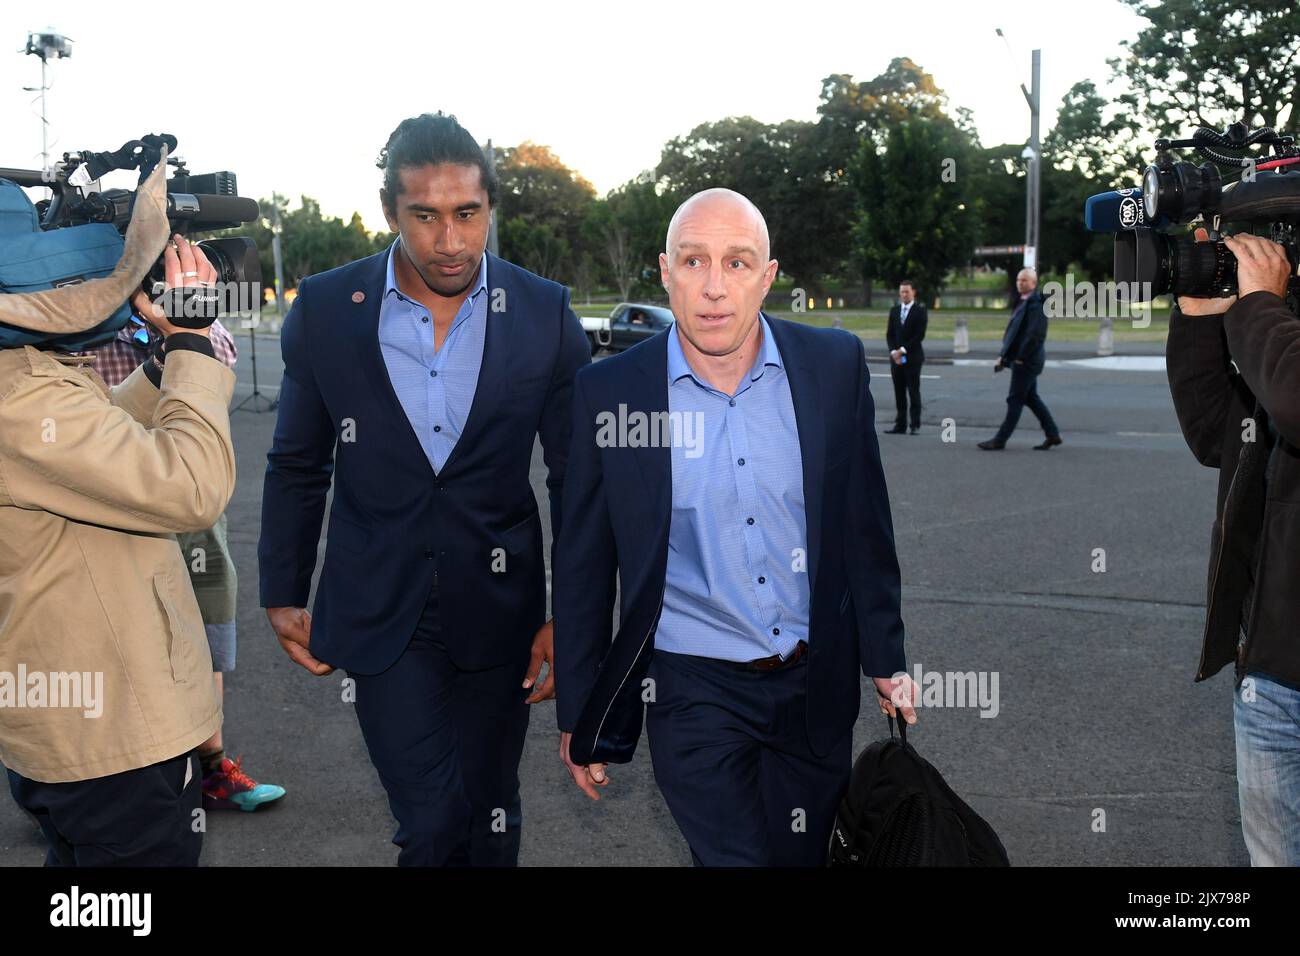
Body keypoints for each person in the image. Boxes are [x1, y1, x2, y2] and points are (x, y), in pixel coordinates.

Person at [259, 112, 589, 866]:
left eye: (468, 215)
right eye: (426, 217)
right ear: (389, 212)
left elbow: (577, 481)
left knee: (491, 810)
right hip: (382, 608)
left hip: (499, 610)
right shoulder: (326, 311)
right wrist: (282, 589)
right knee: (433, 820)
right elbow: (298, 462)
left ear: (489, 208)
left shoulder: (544, 315)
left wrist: (571, 617)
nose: (450, 241)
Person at [553, 188, 917, 866]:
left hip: (814, 684)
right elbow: (582, 564)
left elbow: (863, 523)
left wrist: (886, 658)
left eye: (738, 263)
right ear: (665, 272)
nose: (714, 288)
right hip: (694, 690)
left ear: (768, 276)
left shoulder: (832, 369)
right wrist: (580, 713)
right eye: (694, 262)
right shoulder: (613, 394)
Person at [0, 152, 236, 864]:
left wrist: (165, 366)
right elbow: (190, 486)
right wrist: (194, 340)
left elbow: (102, 438)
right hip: (112, 740)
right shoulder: (22, 399)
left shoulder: (28, 380)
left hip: (88, 730)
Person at [90, 317, 285, 812]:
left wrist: (172, 323)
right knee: (113, 637)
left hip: (191, 491)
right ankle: (84, 785)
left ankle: (213, 770)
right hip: (110, 498)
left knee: (207, 621)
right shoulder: (79, 317)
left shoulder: (171, 310)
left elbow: (220, 356)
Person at [1167, 228, 1300, 866]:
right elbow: (1215, 435)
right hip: (1271, 677)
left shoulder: (1278, 334)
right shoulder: (1281, 340)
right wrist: (1199, 313)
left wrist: (1259, 305)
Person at [978, 268, 1063, 450]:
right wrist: (1004, 356)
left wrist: (1020, 358)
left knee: (1014, 400)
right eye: (1018, 280)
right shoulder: (1023, 301)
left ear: (1033, 283)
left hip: (1026, 361)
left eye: (1024, 280)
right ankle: (1053, 434)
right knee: (1031, 398)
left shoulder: (1037, 304)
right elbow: (1016, 333)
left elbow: (1035, 336)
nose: (1020, 283)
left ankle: (1000, 440)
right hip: (1021, 359)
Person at [884, 279, 927, 434]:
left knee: (913, 391)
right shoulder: (894, 311)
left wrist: (902, 350)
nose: (904, 294)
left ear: (913, 292)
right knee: (899, 392)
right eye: (902, 291)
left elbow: (919, 335)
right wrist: (893, 352)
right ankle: (900, 424)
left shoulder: (920, 311)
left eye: (907, 291)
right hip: (896, 359)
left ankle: (914, 424)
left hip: (913, 358)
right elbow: (889, 334)